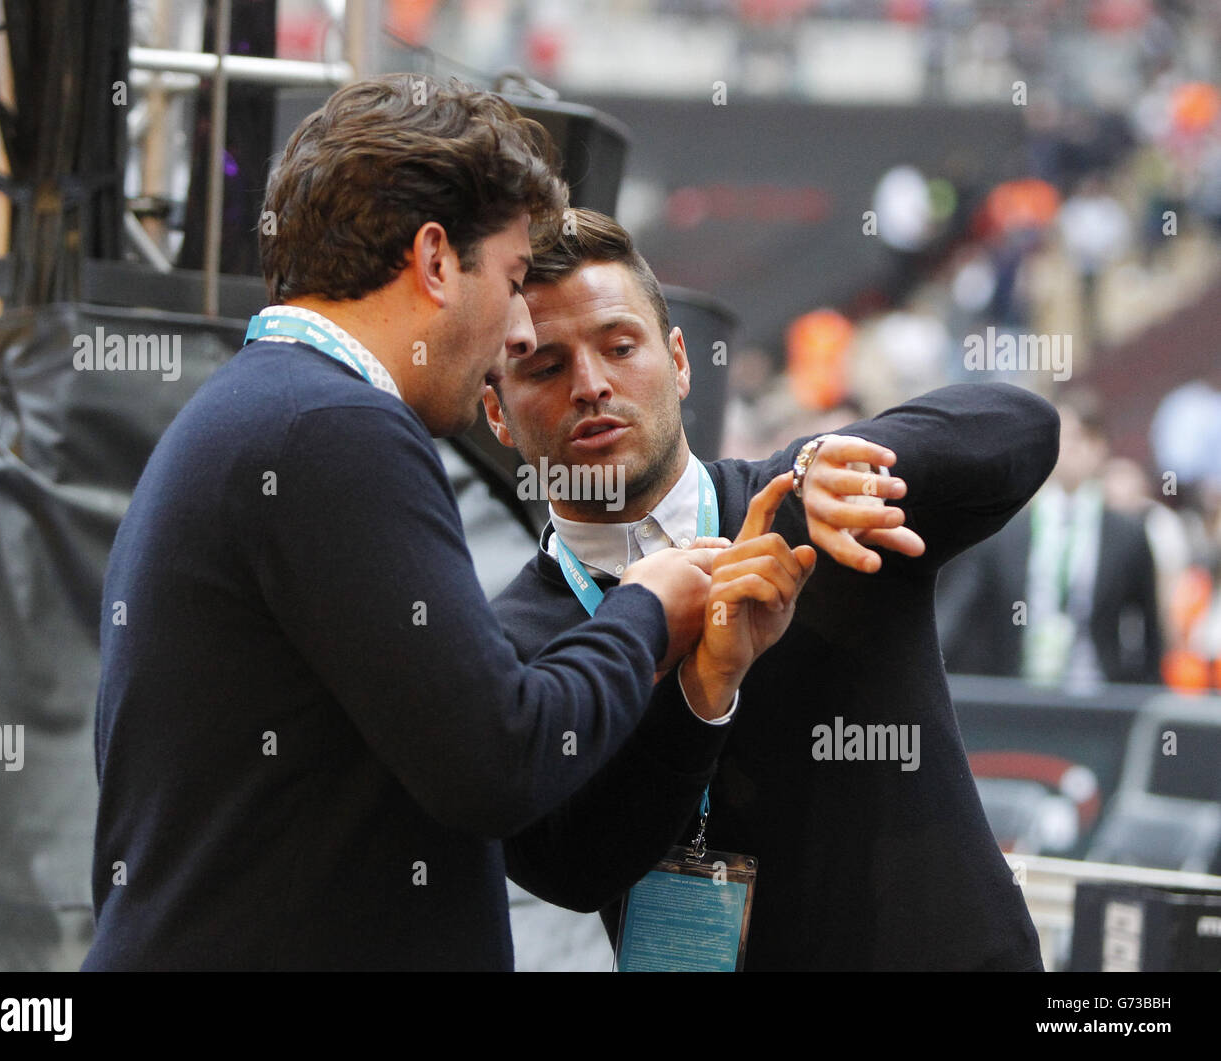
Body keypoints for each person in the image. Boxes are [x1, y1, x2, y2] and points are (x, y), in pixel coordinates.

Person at [83, 77, 772, 971]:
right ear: (437, 260)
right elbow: (500, 758)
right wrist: (645, 612)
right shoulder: (332, 429)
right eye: (516, 280)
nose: (520, 330)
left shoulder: (271, 411)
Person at [485, 209, 1057, 970]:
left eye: (620, 347)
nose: (591, 384)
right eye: (545, 366)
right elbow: (569, 866)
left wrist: (839, 456)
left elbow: (1022, 425)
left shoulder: (814, 502)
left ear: (680, 362)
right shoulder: (509, 644)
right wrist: (700, 690)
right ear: (495, 410)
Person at [939, 391, 1162, 688]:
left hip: (1098, 694)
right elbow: (960, 612)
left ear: (1100, 448)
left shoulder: (1126, 535)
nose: (1070, 450)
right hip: (1017, 691)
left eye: (1081, 438)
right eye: (1061, 439)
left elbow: (1149, 628)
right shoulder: (1006, 530)